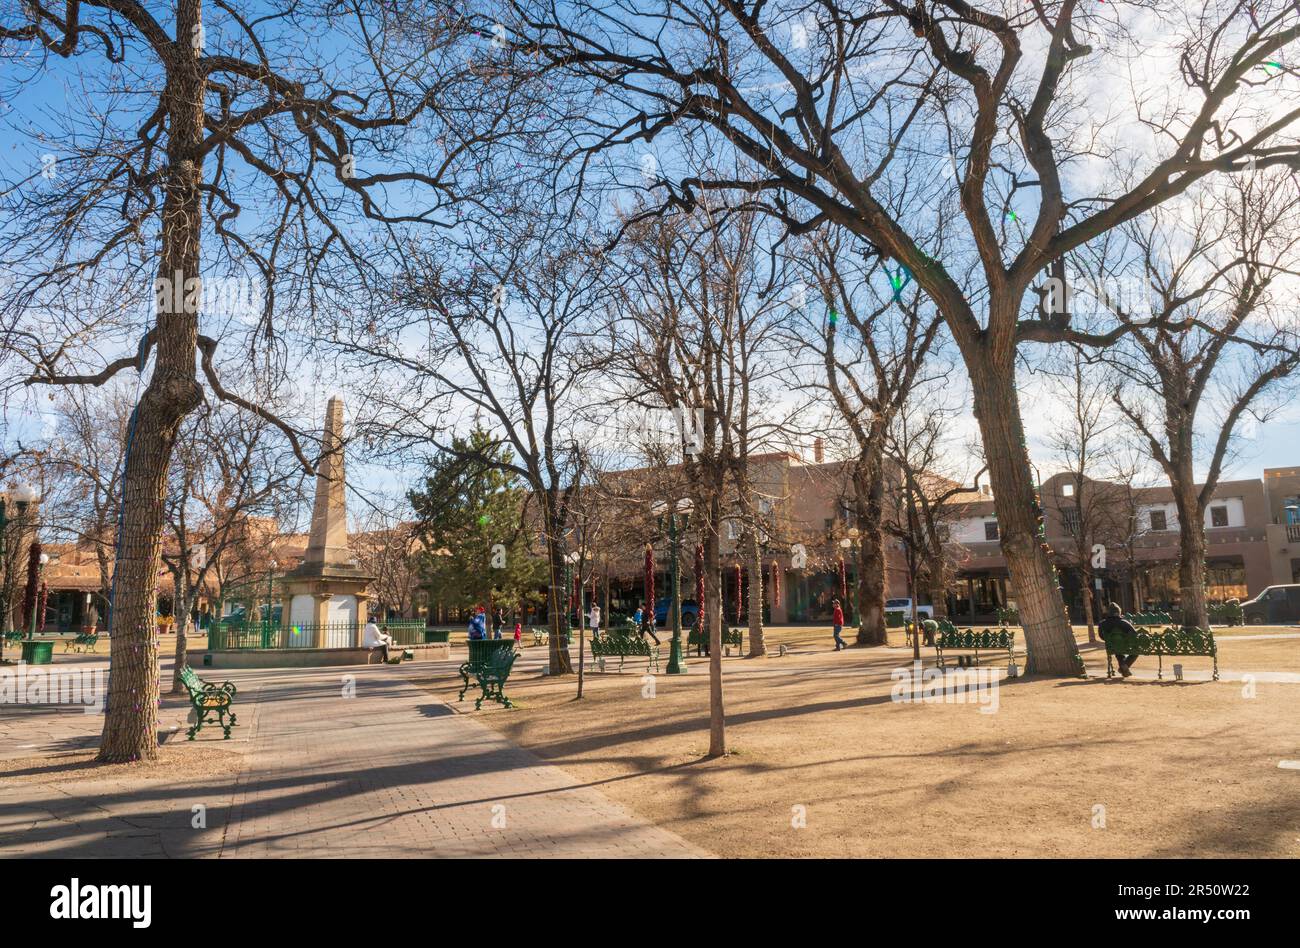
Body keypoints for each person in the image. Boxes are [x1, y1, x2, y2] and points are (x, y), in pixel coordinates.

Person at [1098, 602, 1139, 677]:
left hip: (1111, 647)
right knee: (1135, 652)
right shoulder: (1124, 623)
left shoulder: (1102, 624)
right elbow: (1134, 634)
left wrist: (1110, 641)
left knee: (1118, 653)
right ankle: (1124, 666)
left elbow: (1101, 636)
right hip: (1126, 646)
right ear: (1119, 612)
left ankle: (1123, 667)